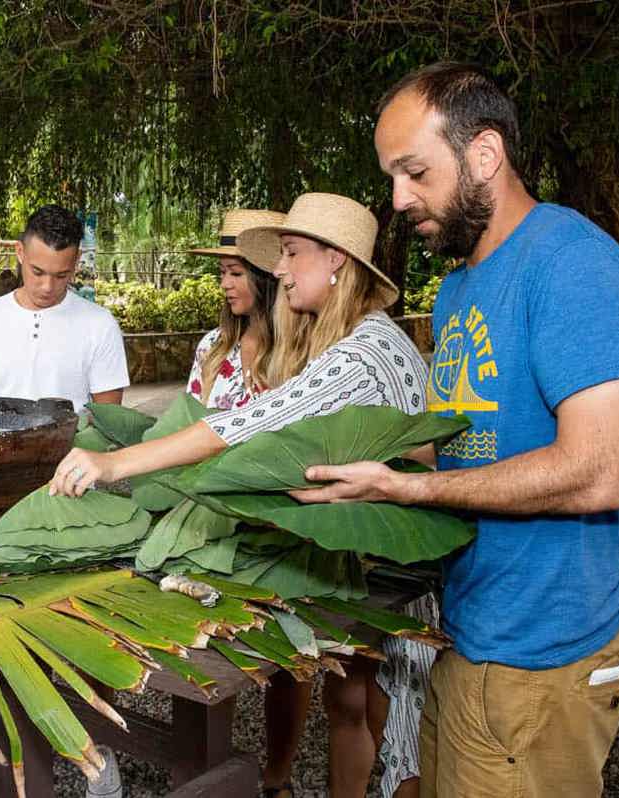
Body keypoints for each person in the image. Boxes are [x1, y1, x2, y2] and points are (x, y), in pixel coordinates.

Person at [292, 62, 619, 798]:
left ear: (484, 155)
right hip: (471, 635)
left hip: (544, 656)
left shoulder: (570, 264)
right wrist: (347, 454)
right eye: (391, 177)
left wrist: (411, 488)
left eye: (414, 171)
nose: (397, 200)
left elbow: (600, 469)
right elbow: (465, 432)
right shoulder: (458, 287)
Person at [51, 192, 428, 796]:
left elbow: (238, 428)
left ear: (335, 260)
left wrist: (114, 462)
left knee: (395, 724)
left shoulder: (359, 355)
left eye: (290, 253)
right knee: (370, 713)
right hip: (377, 563)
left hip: (394, 576)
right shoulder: (364, 338)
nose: (278, 271)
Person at [0, 205, 129, 411]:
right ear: (20, 252)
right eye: (37, 272)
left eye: (61, 275)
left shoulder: (99, 325)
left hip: (72, 442)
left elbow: (108, 416)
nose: (47, 287)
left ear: (76, 261)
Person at [185, 209, 285, 410]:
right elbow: (187, 419)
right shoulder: (212, 346)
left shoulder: (298, 350)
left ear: (267, 278)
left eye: (236, 273)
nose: (224, 283)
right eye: (222, 272)